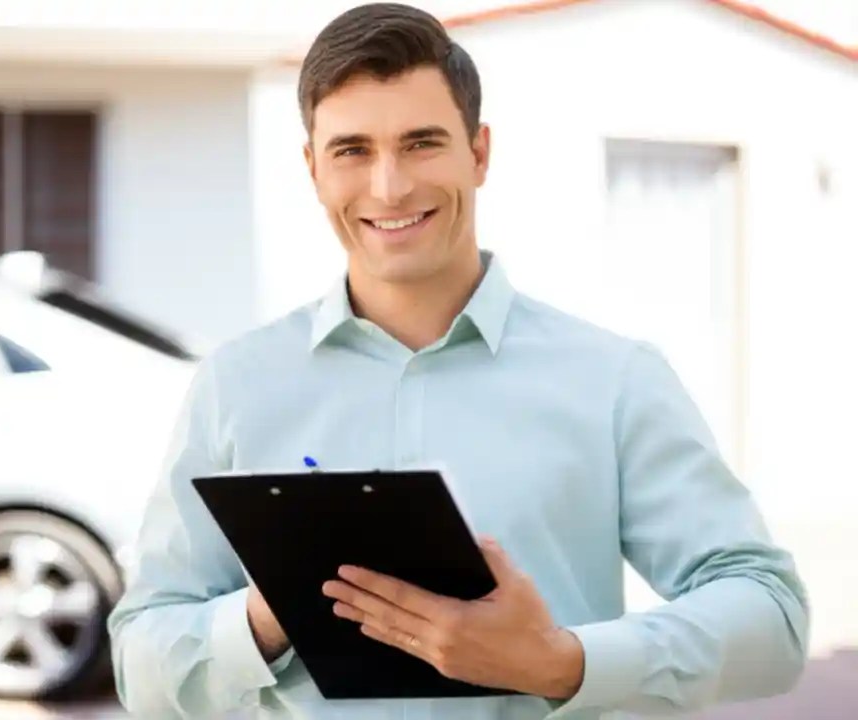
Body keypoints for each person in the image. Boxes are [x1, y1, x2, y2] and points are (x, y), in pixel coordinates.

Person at [106, 3, 810, 718]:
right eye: (353, 150)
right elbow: (141, 664)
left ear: (478, 154)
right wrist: (267, 614)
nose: (389, 187)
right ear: (314, 168)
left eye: (421, 143)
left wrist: (564, 663)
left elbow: (772, 617)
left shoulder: (613, 380)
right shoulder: (236, 385)